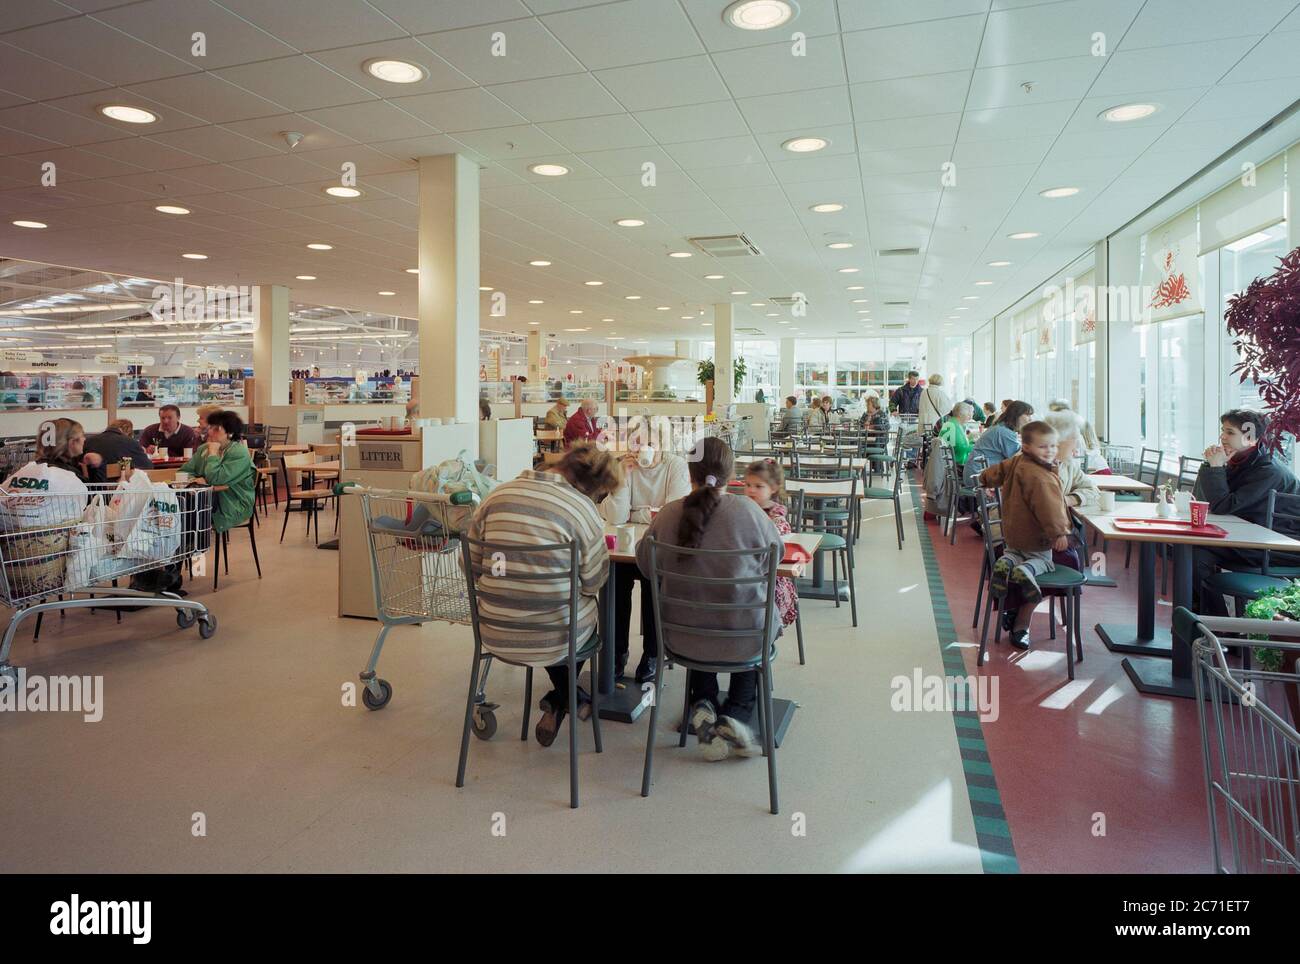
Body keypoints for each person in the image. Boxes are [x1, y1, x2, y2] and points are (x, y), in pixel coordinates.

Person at [467, 443, 623, 745]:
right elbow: (593, 583)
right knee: (571, 611)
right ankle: (570, 698)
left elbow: (469, 565)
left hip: (495, 631)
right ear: (589, 487)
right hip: (553, 638)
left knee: (553, 608)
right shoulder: (581, 509)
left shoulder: (496, 495)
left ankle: (563, 699)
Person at [636, 437, 782, 760]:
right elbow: (776, 557)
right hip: (744, 638)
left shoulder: (668, 515)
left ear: (690, 475)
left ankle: (703, 700)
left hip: (681, 640)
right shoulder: (749, 512)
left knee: (699, 613)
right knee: (752, 618)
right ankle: (736, 715)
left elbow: (646, 566)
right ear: (732, 476)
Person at [601, 423, 691, 683]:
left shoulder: (675, 466)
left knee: (654, 585)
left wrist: (637, 512)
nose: (642, 449)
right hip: (628, 545)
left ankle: (652, 653)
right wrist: (620, 480)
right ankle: (617, 653)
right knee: (615, 582)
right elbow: (617, 517)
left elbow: (673, 513)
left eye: (648, 442)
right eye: (636, 443)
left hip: (661, 544)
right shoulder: (625, 467)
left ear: (661, 444)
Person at [1193, 409, 1300, 616]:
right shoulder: (1240, 462)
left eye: (1230, 432)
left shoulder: (1267, 470)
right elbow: (1202, 502)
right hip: (1254, 538)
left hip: (1279, 547)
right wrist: (1211, 465)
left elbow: (1222, 506)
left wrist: (1215, 468)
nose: (1222, 437)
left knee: (1194, 553)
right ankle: (1210, 622)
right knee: (1192, 552)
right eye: (1223, 431)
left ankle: (1217, 624)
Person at [979, 421, 1073, 651]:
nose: (1050, 451)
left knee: (1014, 554)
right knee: (1046, 562)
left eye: (1053, 446)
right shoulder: (1042, 477)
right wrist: (1059, 532)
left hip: (1012, 534)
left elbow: (997, 471)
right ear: (1027, 447)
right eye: (1044, 447)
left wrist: (984, 479)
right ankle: (1027, 572)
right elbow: (1050, 509)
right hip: (1036, 537)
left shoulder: (1018, 461)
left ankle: (1007, 564)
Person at [743, 459, 799, 630]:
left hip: (771, 581)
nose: (751, 490)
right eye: (748, 484)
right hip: (747, 573)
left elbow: (774, 540)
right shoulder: (743, 508)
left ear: (773, 488)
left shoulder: (777, 516)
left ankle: (766, 633)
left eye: (759, 486)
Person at [180, 411, 255, 535]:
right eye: (210, 427)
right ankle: (186, 547)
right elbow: (184, 471)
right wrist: (196, 481)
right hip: (207, 499)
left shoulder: (239, 453)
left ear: (229, 433)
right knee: (176, 509)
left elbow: (216, 479)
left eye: (216, 429)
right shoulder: (204, 449)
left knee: (186, 512)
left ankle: (191, 548)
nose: (209, 432)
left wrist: (213, 454)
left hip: (232, 504)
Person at [965, 400, 1034, 485]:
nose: (1030, 419)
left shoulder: (1000, 427)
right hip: (979, 478)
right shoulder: (1004, 432)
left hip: (975, 474)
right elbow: (1019, 458)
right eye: (1028, 415)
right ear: (1017, 415)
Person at [1042, 411, 1100, 511]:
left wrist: (1070, 500)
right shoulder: (1030, 466)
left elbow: (1093, 490)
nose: (1076, 448)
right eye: (1074, 440)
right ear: (1057, 439)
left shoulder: (1067, 464)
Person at [34, 417, 104, 483]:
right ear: (72, 442)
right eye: (82, 435)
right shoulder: (70, 475)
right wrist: (97, 468)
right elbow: (96, 494)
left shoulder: (33, 468)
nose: (84, 439)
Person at [84, 418, 152, 469]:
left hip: (93, 484)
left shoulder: (88, 441)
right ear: (128, 431)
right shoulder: (130, 442)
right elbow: (148, 466)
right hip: (120, 484)